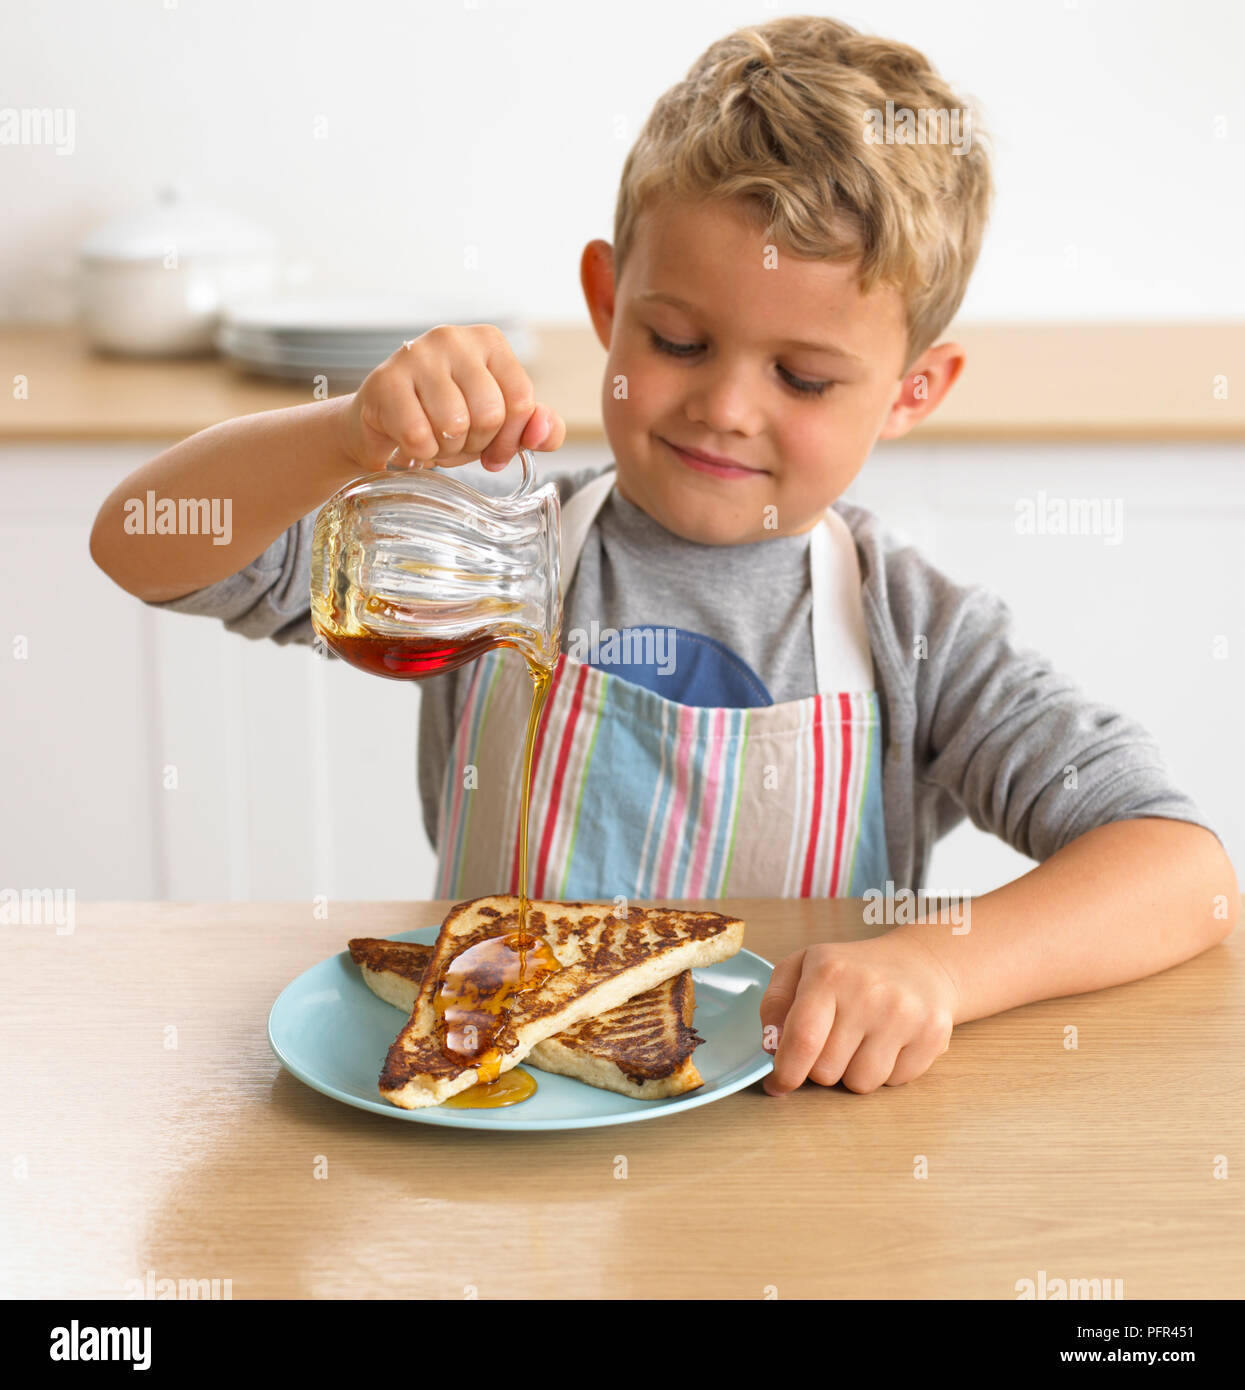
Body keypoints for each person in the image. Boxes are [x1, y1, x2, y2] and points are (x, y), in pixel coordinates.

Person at [90, 15, 1238, 1097]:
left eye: (803, 376)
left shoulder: (912, 631)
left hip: (797, 1162)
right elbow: (143, 546)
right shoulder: (505, 551)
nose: (726, 407)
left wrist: (938, 968)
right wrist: (345, 436)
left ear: (913, 391)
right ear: (607, 301)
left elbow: (1185, 873)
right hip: (492, 1132)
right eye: (678, 341)